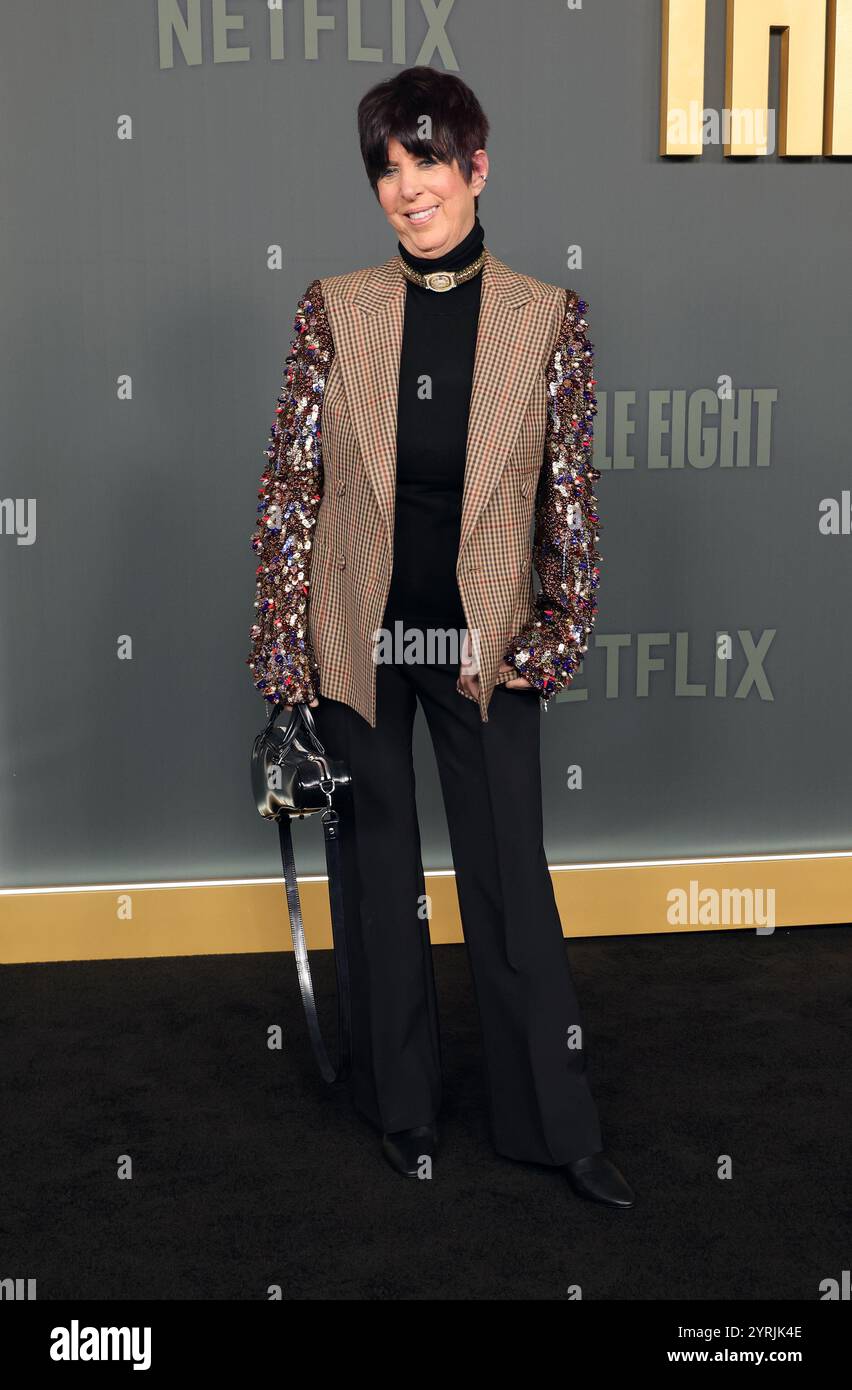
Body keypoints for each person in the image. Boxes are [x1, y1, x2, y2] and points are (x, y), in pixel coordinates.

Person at [248, 66, 634, 1208]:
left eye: (426, 162)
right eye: (387, 169)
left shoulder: (547, 316)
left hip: (484, 644)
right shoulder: (334, 307)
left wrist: (555, 636)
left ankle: (553, 1124)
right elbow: (290, 487)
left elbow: (571, 492)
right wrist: (285, 660)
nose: (407, 189)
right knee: (379, 876)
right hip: (358, 634)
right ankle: (402, 1108)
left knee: (510, 877)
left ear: (477, 166)